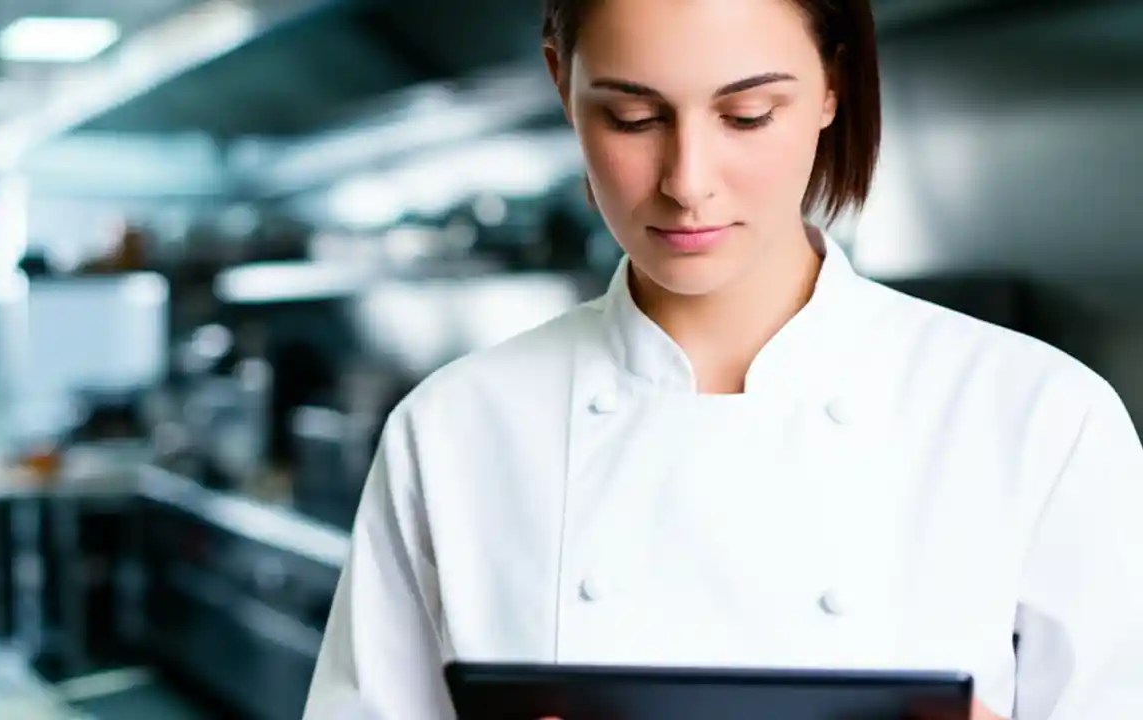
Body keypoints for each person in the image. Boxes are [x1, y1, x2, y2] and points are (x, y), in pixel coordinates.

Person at [303, 0, 1143, 718]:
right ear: (562, 84)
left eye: (747, 115)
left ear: (832, 86)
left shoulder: (1043, 420)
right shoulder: (453, 432)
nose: (688, 181)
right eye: (632, 117)